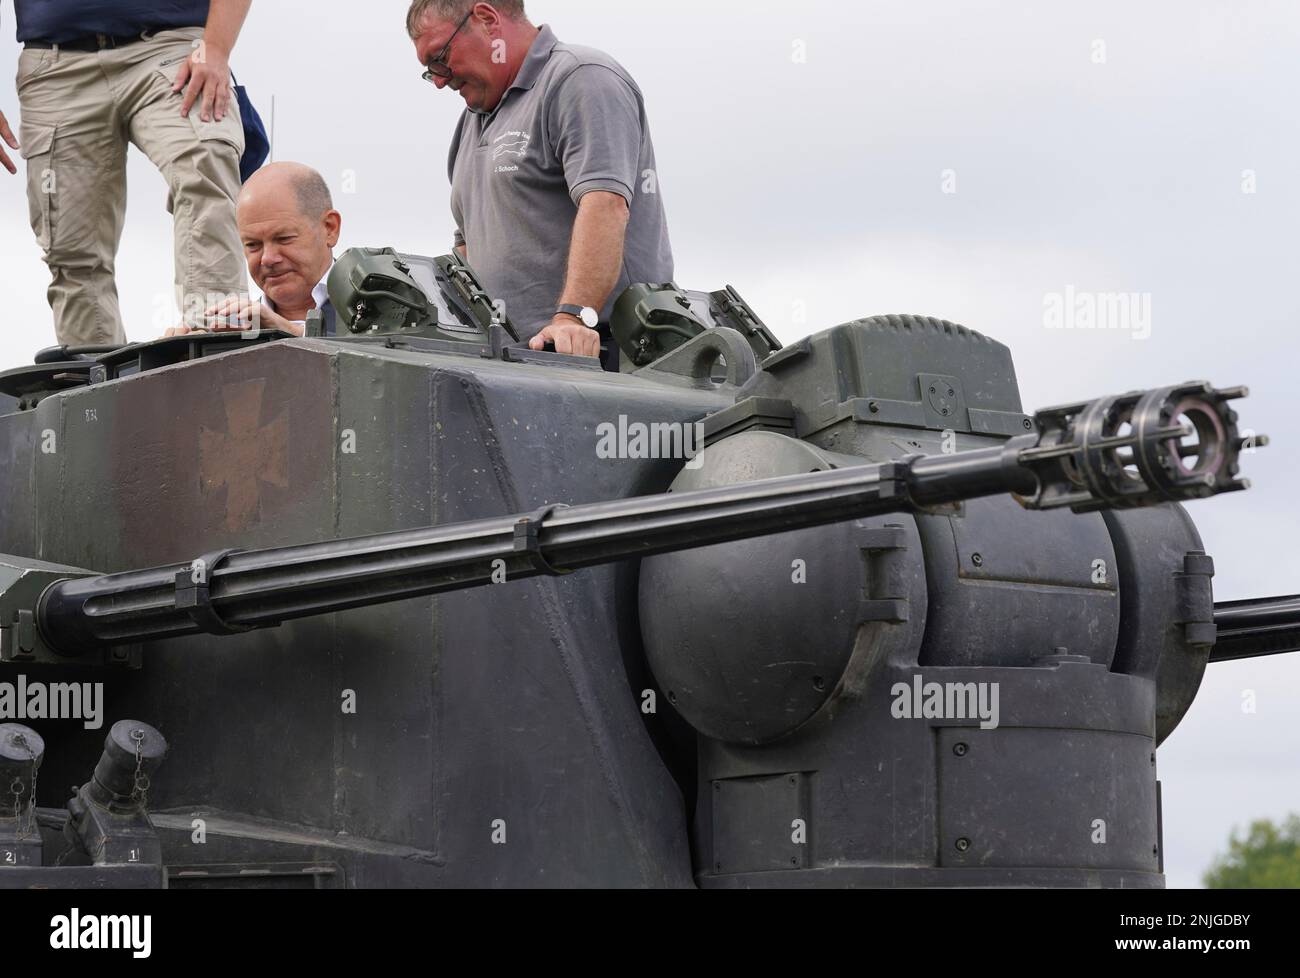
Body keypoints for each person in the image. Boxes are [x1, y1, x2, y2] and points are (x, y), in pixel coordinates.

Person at [407, 1, 674, 369]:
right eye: (429, 71)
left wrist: (573, 318)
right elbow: (467, 249)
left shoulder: (582, 78)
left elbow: (604, 203)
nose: (439, 79)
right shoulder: (470, 123)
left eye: (440, 57)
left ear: (486, 19)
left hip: (608, 360)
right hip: (515, 371)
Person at [0, 0, 252, 347]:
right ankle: (92, 384)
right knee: (72, 247)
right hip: (55, 65)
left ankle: (219, 353)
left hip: (171, 46)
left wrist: (217, 47)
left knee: (204, 167)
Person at [166, 161, 340, 336]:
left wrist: (292, 333)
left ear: (330, 228)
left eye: (283, 239)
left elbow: (364, 352)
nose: (268, 259)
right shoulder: (231, 331)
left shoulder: (366, 306)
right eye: (253, 245)